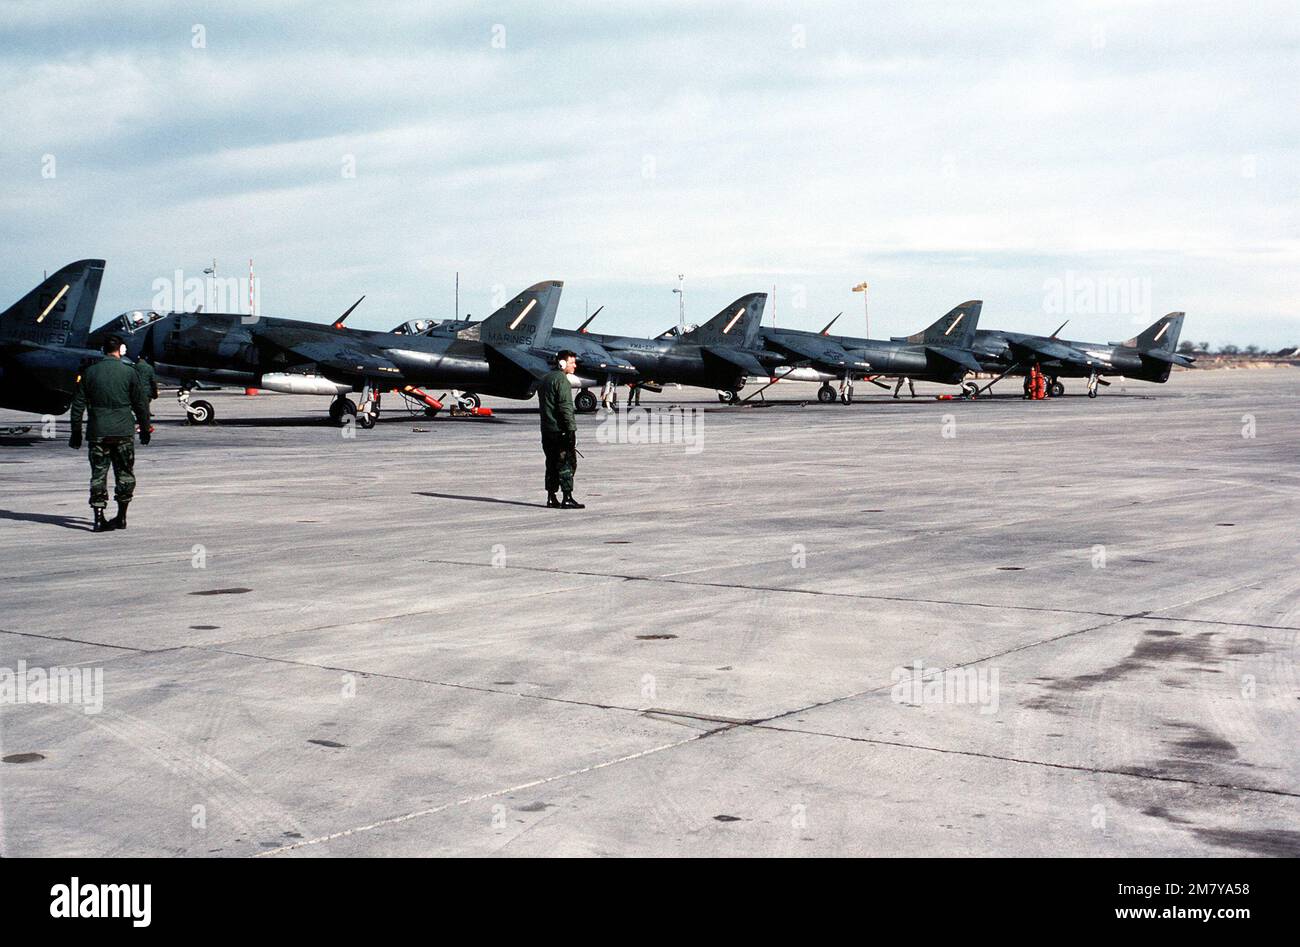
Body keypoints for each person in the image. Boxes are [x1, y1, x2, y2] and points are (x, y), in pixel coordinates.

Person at [69, 335, 151, 532]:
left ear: (102, 350)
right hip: (123, 432)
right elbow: (141, 404)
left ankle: (98, 518)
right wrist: (145, 429)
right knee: (125, 474)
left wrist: (76, 432)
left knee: (98, 474)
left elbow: (78, 405)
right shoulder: (129, 372)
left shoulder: (90, 372)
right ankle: (121, 517)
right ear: (121, 349)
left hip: (98, 432)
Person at [537, 350, 584, 509]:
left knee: (551, 463)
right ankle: (567, 497)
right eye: (572, 362)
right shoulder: (562, 381)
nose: (575, 365)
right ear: (562, 363)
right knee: (566, 463)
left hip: (547, 430)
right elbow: (565, 407)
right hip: (560, 430)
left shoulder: (544, 379)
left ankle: (551, 497)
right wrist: (571, 430)